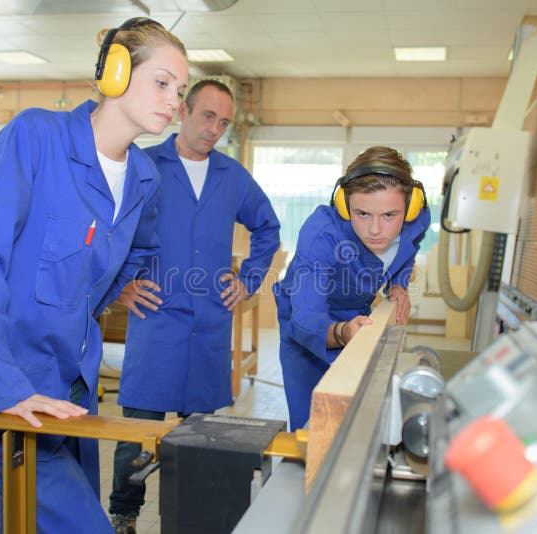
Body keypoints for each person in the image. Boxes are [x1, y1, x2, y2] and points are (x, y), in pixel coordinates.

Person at [0, 18, 188, 533]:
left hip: (73, 382)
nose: (174, 102)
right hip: (7, 379)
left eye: (180, 90)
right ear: (116, 73)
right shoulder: (36, 137)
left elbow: (137, 249)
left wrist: (98, 296)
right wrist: (6, 386)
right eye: (162, 82)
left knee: (9, 522)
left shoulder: (145, 176)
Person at [108, 79, 281, 529]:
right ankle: (123, 515)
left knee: (202, 437)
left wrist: (248, 280)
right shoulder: (144, 165)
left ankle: (192, 517)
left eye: (224, 122)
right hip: (156, 320)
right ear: (183, 110)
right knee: (137, 435)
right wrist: (121, 285)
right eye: (208, 116)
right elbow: (110, 228)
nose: (215, 129)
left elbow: (268, 228)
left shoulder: (232, 176)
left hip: (209, 325)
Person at [275, 146, 431, 430]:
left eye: (388, 215)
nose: (375, 229)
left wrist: (398, 285)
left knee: (358, 413)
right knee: (312, 421)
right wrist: (342, 331)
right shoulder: (321, 235)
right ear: (345, 206)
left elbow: (408, 249)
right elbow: (306, 318)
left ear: (410, 208)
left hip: (358, 312)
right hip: (304, 320)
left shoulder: (416, 221)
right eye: (362, 214)